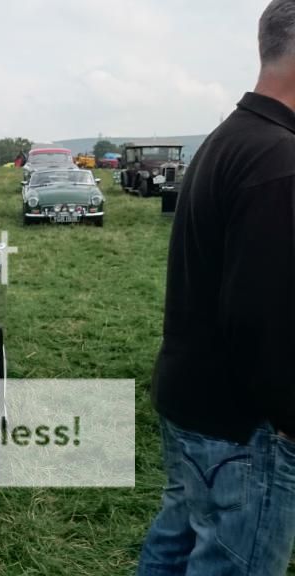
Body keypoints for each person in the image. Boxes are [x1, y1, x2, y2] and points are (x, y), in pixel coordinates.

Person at [138, 2, 295, 574]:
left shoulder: (228, 137)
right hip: (244, 427)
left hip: (192, 401)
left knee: (175, 546)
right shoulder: (279, 156)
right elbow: (266, 317)